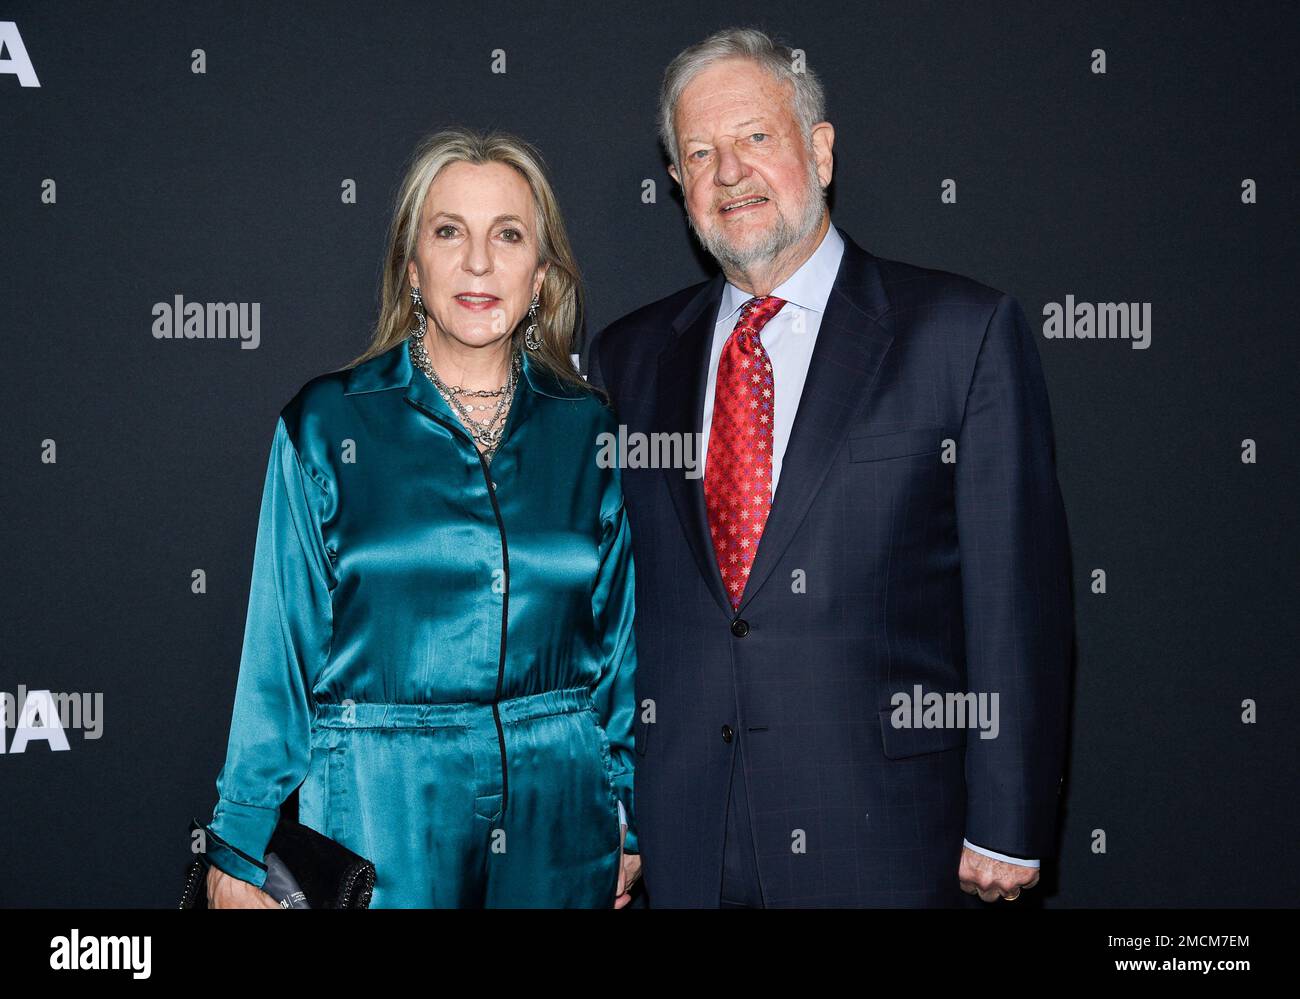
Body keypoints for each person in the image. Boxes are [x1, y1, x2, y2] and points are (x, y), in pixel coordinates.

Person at [587, 27, 1074, 907]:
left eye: (754, 138)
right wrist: (616, 813)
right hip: (682, 832)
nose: (728, 170)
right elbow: (607, 610)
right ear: (678, 189)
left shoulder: (960, 335)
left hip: (886, 835)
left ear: (820, 149)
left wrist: (1008, 816)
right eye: (699, 152)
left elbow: (1018, 600)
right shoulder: (626, 359)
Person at [201, 127, 642, 908]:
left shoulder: (591, 432)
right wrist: (238, 841)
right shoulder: (327, 423)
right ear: (412, 268)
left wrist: (630, 820)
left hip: (562, 820)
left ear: (540, 274)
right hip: (377, 810)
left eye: (507, 235)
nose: (478, 262)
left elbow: (619, 651)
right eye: (449, 233)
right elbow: (278, 656)